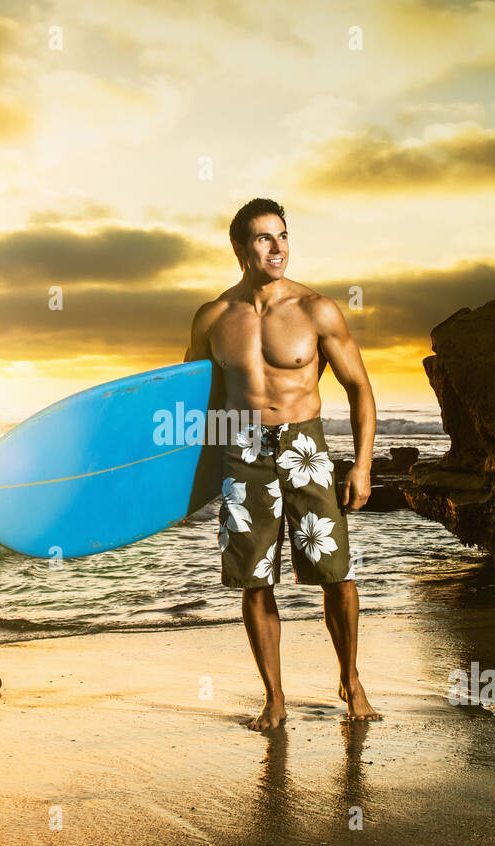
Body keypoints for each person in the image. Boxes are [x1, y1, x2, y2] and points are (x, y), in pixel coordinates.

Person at [184, 197, 380, 730]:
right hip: (241, 451)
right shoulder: (213, 318)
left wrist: (361, 466)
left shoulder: (316, 309)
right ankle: (274, 696)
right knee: (254, 580)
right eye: (265, 238)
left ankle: (352, 679)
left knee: (336, 573)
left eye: (283, 236)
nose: (278, 248)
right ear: (240, 248)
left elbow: (359, 388)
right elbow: (194, 405)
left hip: (305, 448)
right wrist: (182, 487)